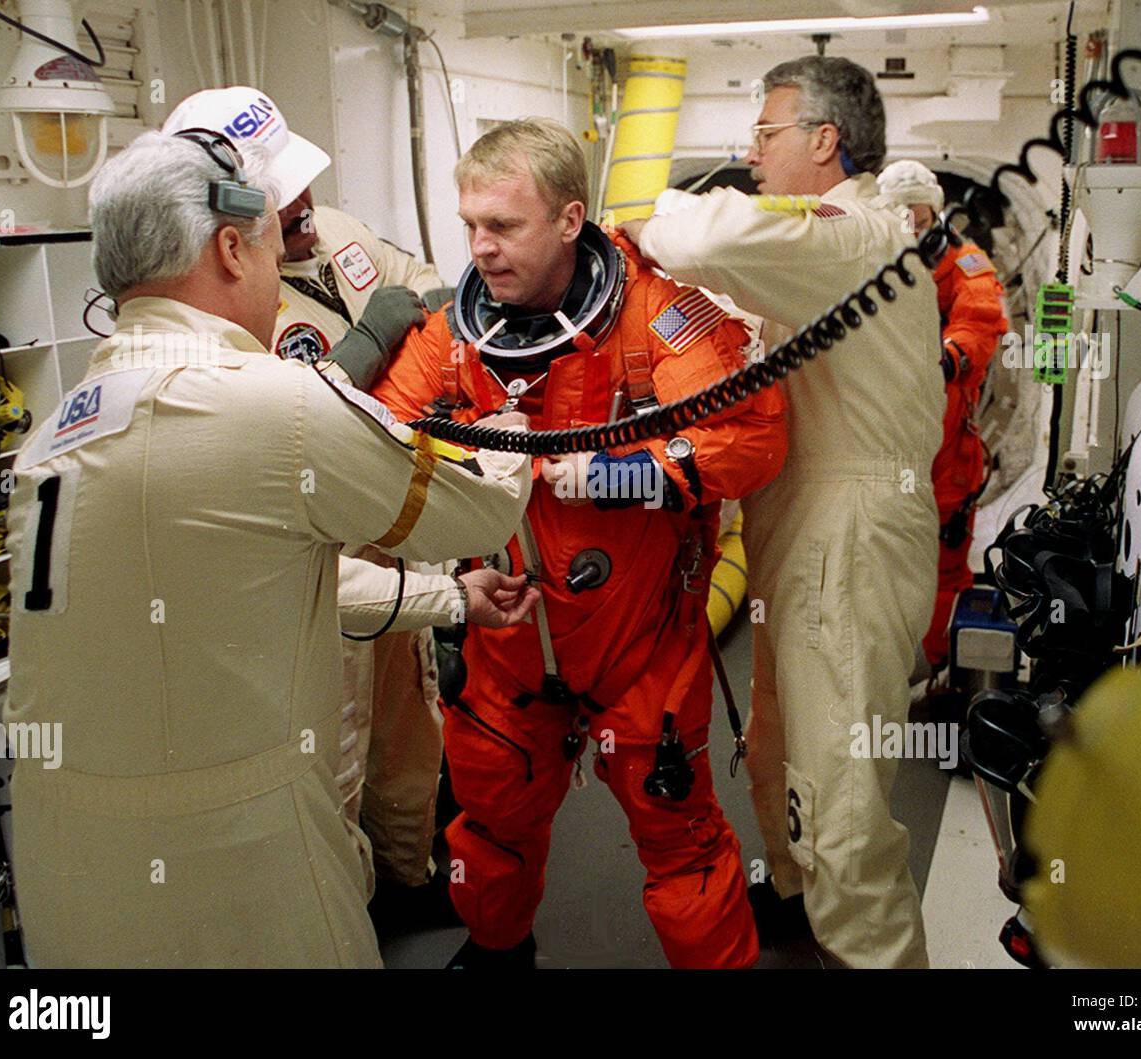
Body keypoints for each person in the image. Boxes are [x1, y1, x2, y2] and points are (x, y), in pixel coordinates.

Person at [5, 130, 533, 968]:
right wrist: (516, 410)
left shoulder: (54, 434)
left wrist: (452, 601)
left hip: (63, 872)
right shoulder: (270, 405)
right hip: (230, 859)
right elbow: (477, 512)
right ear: (229, 247)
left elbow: (265, 581)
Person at [370, 118, 787, 969]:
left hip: (639, 644)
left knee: (684, 846)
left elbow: (751, 437)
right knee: (488, 824)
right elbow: (377, 435)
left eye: (503, 226)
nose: (481, 248)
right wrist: (473, 452)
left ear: (568, 220)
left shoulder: (658, 317)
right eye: (470, 227)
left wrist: (615, 473)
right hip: (508, 638)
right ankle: (498, 949)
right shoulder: (454, 332)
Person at [621, 56, 945, 968]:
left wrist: (633, 224)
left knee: (840, 800)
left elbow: (704, 241)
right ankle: (801, 905)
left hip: (851, 532)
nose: (753, 155)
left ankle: (875, 950)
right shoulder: (830, 255)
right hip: (798, 527)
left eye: (764, 135)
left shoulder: (854, 234)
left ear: (822, 140)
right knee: (776, 752)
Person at [162, 87, 458, 907]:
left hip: (389, 520)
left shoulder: (335, 235)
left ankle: (407, 873)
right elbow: (262, 423)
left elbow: (422, 284)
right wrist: (364, 352)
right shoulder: (210, 300)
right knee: (338, 742)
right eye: (276, 192)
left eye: (300, 182)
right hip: (312, 557)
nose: (299, 204)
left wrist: (415, 335)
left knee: (411, 721)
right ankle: (343, 912)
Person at [877, 160, 1009, 671]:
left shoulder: (965, 263)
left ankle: (931, 667)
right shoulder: (866, 261)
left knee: (944, 558)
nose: (910, 221)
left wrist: (946, 358)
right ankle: (879, 661)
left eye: (918, 211)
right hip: (880, 432)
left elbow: (979, 320)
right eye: (900, 212)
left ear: (934, 209)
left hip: (945, 434)